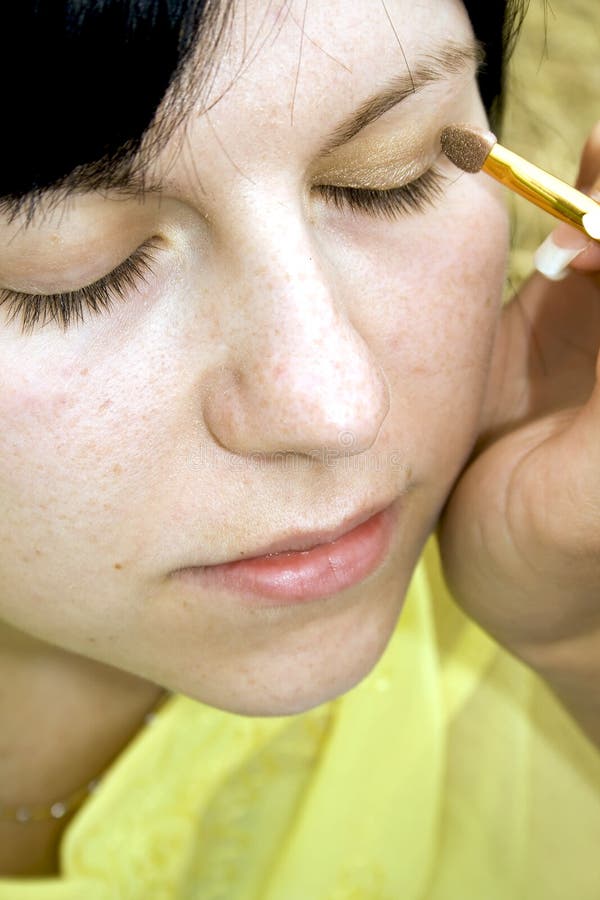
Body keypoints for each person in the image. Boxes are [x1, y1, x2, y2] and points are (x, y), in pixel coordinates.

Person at [0, 0, 599, 895]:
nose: (335, 407)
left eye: (387, 177)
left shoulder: (550, 522)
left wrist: (577, 636)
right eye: (77, 271)